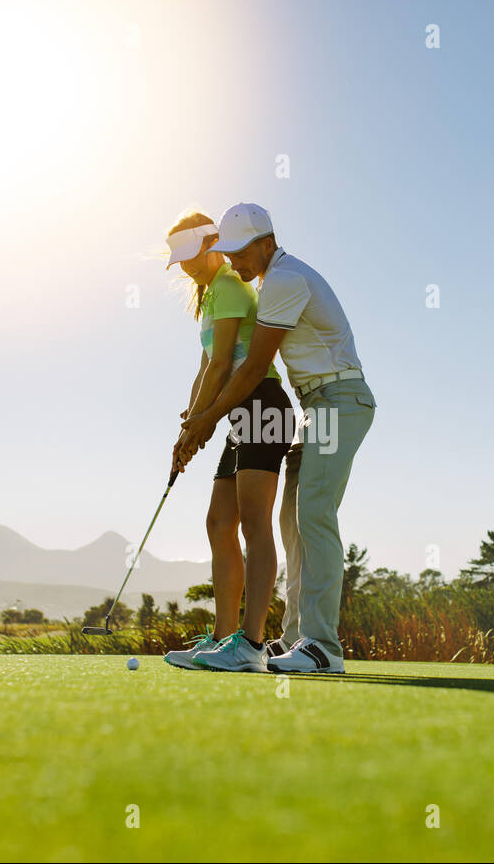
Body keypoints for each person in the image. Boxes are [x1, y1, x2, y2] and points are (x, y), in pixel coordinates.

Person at [175, 203, 375, 674]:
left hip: (339, 399)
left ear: (266, 243)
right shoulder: (268, 281)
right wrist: (204, 417)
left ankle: (323, 645)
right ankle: (292, 641)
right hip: (313, 407)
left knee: (315, 514)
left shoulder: (284, 280)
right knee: (292, 521)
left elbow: (249, 368)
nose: (235, 262)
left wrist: (206, 419)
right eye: (228, 252)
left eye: (240, 252)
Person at [159, 211, 294, 673]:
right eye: (178, 260)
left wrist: (200, 425)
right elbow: (204, 371)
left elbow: (222, 367)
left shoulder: (233, 287)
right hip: (239, 412)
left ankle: (251, 645)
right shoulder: (212, 293)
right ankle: (222, 639)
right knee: (219, 522)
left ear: (212, 241)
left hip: (263, 405)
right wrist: (189, 427)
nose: (186, 266)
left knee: (255, 524)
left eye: (191, 255)